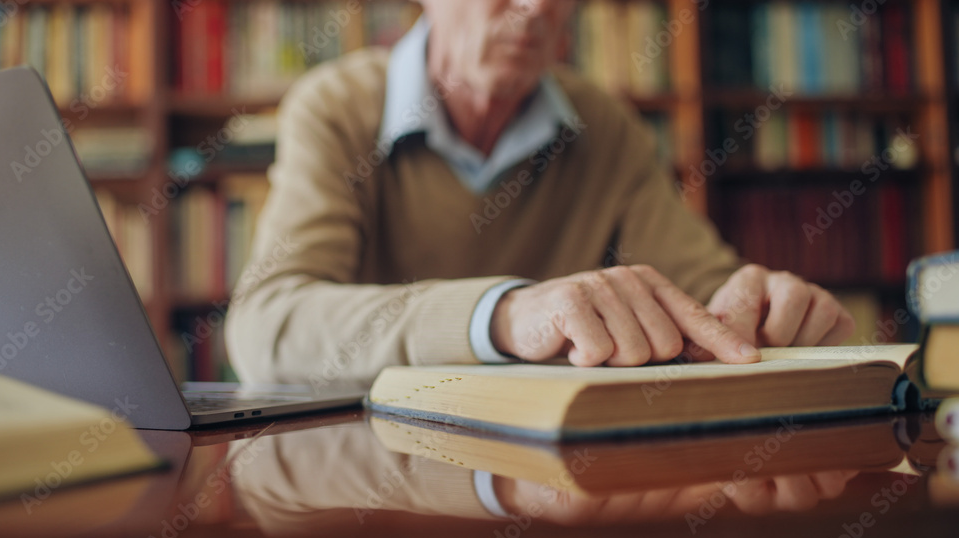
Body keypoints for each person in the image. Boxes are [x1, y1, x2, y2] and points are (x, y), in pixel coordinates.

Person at [224, 0, 855, 386]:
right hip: (376, 488)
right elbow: (267, 328)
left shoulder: (605, 125)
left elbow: (705, 293)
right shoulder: (335, 108)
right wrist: (502, 316)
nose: (536, 7)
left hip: (556, 492)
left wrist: (759, 310)